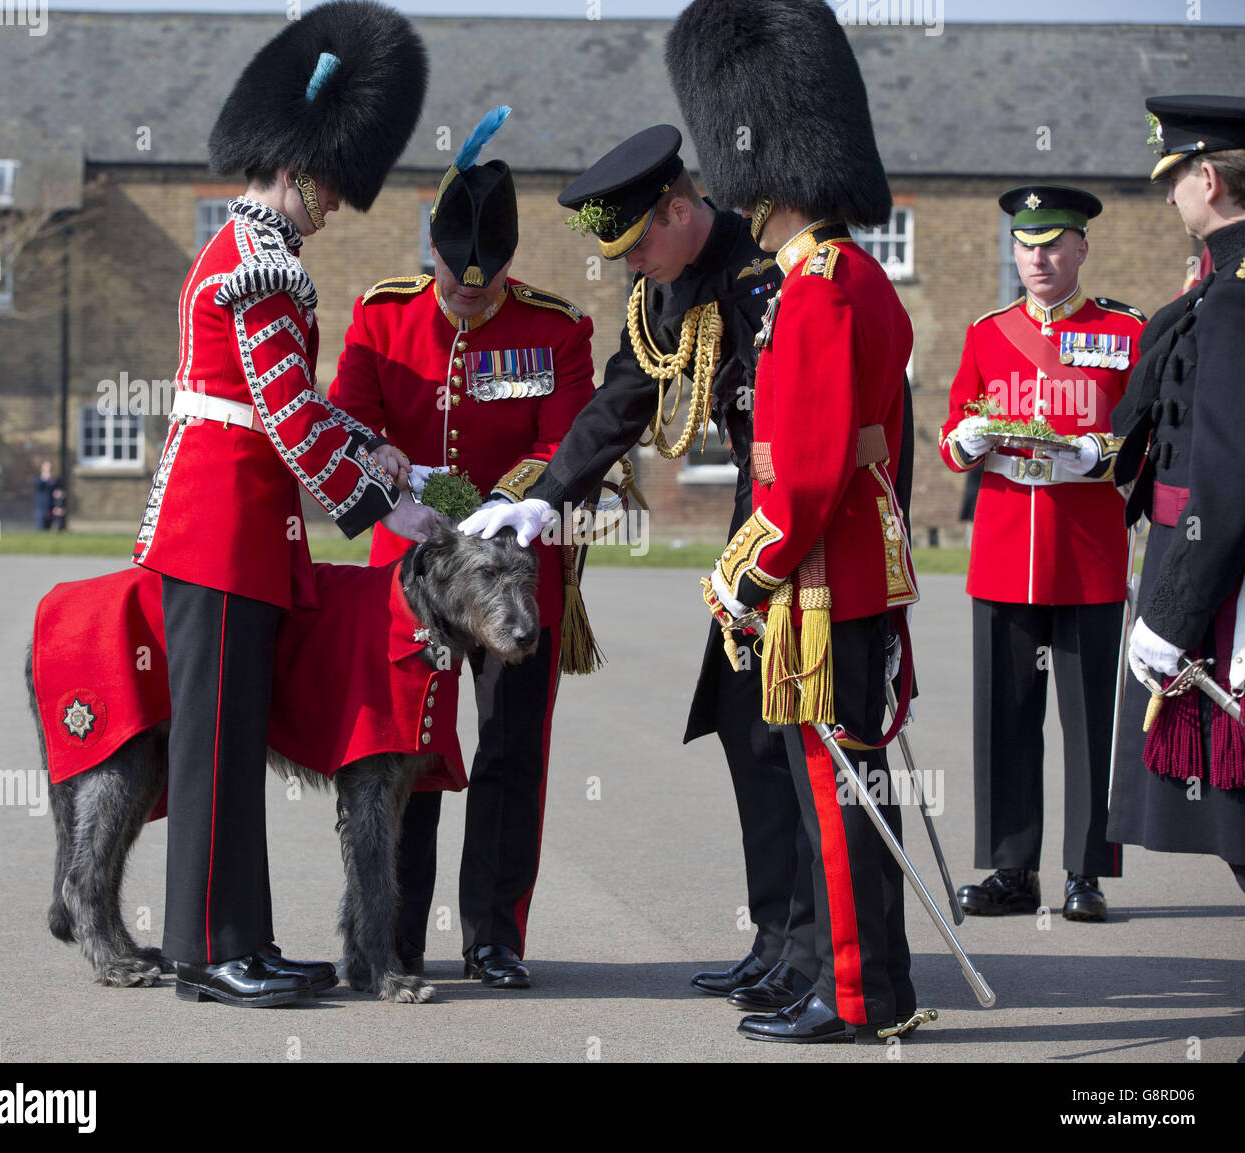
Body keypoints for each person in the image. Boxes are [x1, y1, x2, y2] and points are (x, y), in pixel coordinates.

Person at [461, 125, 826, 1013]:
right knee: (747, 730)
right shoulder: (663, 289)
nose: (633, 269)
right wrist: (545, 497)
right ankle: (775, 936)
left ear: (680, 207)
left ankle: (817, 949)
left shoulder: (769, 271)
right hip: (755, 519)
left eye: (639, 247)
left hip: (799, 522)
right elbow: (627, 393)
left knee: (790, 739)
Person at [131, 0, 434, 1007]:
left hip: (244, 529)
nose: (334, 205)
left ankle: (239, 937)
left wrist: (375, 451)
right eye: (331, 186)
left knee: (232, 740)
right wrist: (385, 509)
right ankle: (207, 950)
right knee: (214, 745)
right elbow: (288, 418)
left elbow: (289, 410)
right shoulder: (259, 265)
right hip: (222, 529)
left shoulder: (256, 253)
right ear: (298, 163)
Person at [668, 0, 921, 1043]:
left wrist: (743, 574)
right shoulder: (848, 277)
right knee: (850, 787)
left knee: (835, 792)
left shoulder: (815, 291)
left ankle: (856, 993)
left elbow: (806, 474)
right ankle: (861, 979)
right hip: (852, 572)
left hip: (816, 581)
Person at [329, 109, 595, 989]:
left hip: (516, 575)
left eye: (486, 285)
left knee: (512, 752)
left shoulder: (558, 333)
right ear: (430, 255)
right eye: (453, 281)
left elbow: (567, 444)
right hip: (407, 584)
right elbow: (348, 419)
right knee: (410, 753)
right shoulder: (379, 318)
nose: (467, 296)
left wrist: (499, 504)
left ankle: (492, 933)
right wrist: (381, 452)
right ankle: (396, 937)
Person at [939, 186, 1146, 923]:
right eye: (1026, 245)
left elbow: (1147, 436)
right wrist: (962, 442)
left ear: (1082, 248)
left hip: (1087, 553)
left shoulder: (1124, 333)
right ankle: (1010, 866)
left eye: (1054, 244)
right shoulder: (987, 331)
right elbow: (958, 423)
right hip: (1004, 552)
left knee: (1090, 723)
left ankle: (1086, 872)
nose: (1039, 258)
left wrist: (1102, 452)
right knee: (1005, 718)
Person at [1107, 94, 1245, 891]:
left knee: (1233, 810)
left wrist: (1172, 616)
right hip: (1199, 556)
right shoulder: (1220, 285)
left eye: (1175, 178)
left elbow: (1227, 478)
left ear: (1207, 178)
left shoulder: (1232, 300)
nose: (1168, 197)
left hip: (1215, 582)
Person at [33, 460, 63, 531]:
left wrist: (57, 506)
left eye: (50, 469)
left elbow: (58, 494)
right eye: (47, 470)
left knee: (48, 531)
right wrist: (45, 478)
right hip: (41, 510)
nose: (49, 472)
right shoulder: (38, 479)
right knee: (41, 530)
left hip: (51, 510)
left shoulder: (54, 481)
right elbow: (39, 485)